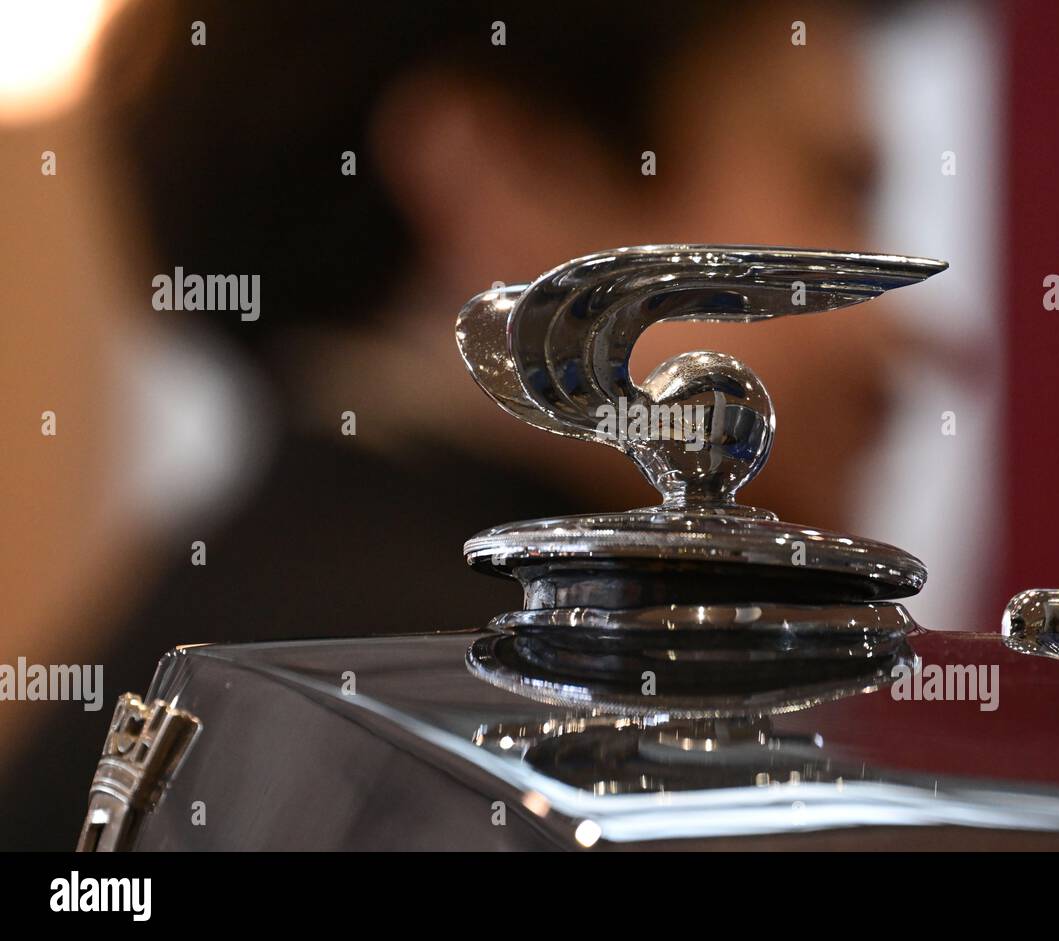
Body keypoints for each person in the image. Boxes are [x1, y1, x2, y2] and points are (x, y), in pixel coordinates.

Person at [0, 0, 903, 848]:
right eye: (835, 189)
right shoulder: (546, 736)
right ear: (509, 168)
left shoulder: (190, 654)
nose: (914, 335)